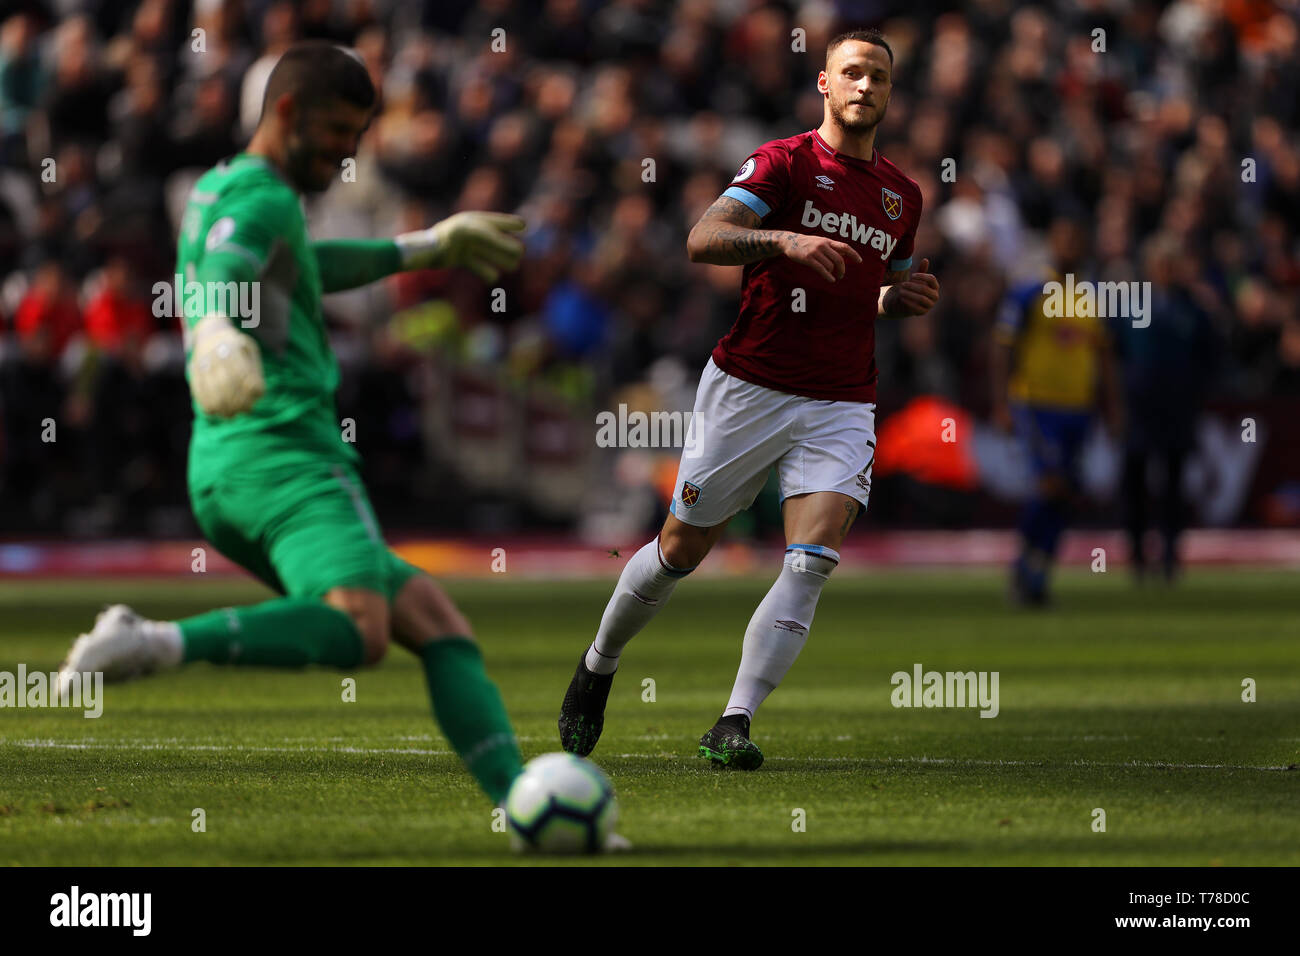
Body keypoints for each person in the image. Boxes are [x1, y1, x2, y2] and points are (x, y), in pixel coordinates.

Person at [58, 41, 528, 806]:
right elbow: (225, 277)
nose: (350, 150)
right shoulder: (264, 198)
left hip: (229, 461)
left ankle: (521, 806)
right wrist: (213, 330)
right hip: (287, 457)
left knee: (437, 623)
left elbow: (297, 265)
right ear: (286, 112)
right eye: (339, 130)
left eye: (359, 132)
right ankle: (153, 643)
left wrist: (426, 246)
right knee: (361, 630)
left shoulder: (225, 187)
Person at [559, 29, 939, 769]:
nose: (866, 86)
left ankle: (734, 720)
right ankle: (598, 665)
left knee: (811, 560)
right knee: (681, 548)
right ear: (824, 84)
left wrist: (902, 299)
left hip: (841, 398)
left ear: (890, 94)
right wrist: (784, 242)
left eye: (880, 78)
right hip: (751, 386)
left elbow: (868, 293)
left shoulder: (903, 195)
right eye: (853, 73)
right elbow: (704, 238)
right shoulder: (784, 162)